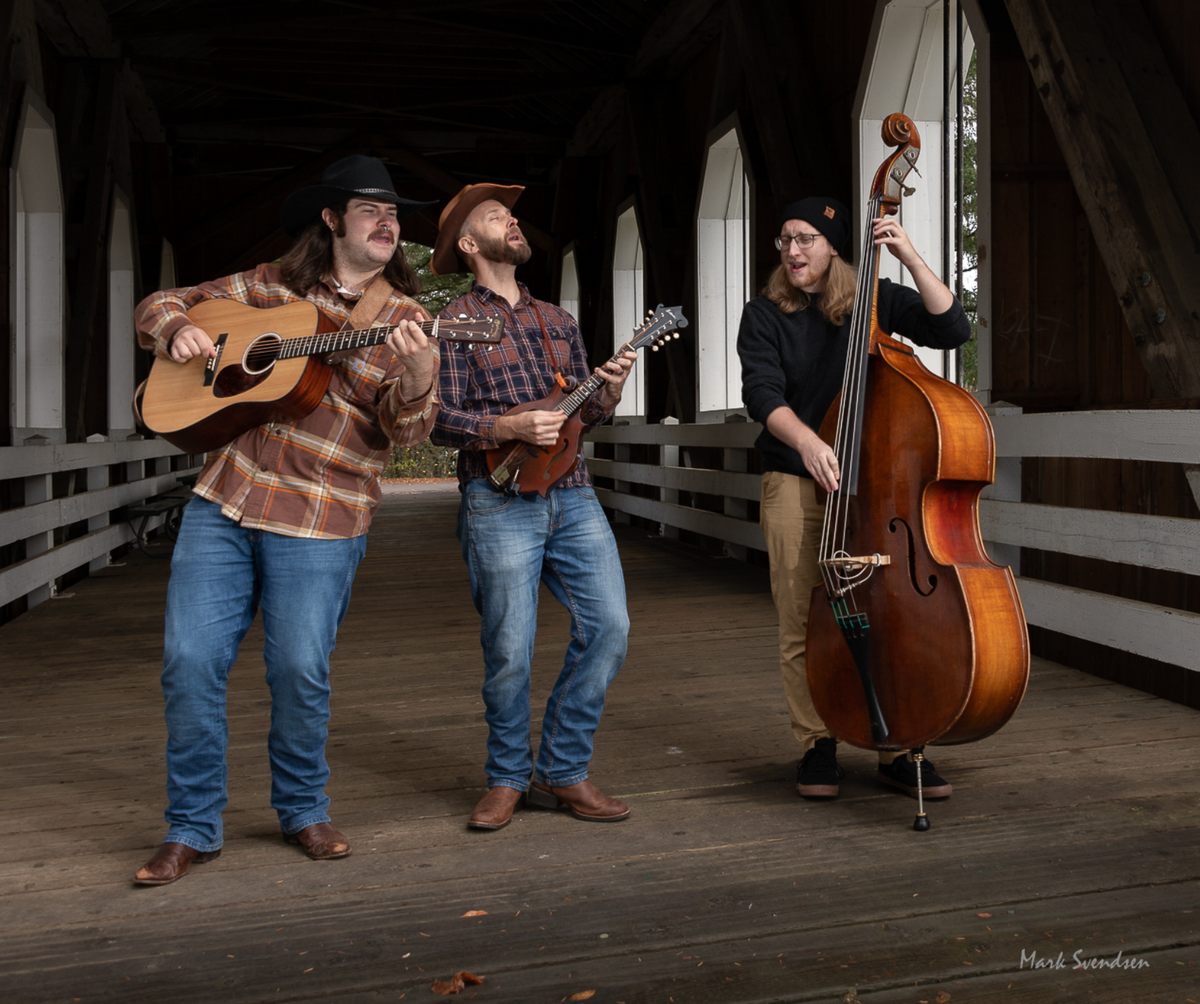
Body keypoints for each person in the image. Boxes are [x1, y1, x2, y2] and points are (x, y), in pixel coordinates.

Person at [131, 155, 439, 884]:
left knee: (299, 669)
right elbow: (157, 303)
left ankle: (303, 809)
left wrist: (420, 377)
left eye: (394, 213)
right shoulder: (268, 286)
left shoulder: (407, 319)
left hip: (323, 512)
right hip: (225, 499)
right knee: (188, 664)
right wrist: (175, 331)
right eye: (370, 210)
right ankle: (192, 826)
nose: (388, 222)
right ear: (331, 220)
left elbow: (408, 433)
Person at [737, 197, 972, 801]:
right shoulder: (764, 314)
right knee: (802, 617)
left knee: (890, 613)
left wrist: (912, 258)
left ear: (834, 245)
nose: (792, 250)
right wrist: (810, 443)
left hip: (873, 489)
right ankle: (818, 744)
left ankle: (898, 744)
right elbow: (762, 395)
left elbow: (952, 328)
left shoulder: (873, 300)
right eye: (785, 239)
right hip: (795, 475)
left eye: (806, 239)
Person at [428, 183, 637, 831]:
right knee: (509, 650)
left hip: (573, 494)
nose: (511, 220)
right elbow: (438, 422)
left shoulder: (560, 322)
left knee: (609, 628)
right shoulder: (457, 321)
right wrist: (508, 431)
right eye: (496, 216)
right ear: (470, 244)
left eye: (512, 214)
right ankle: (508, 777)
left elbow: (579, 421)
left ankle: (563, 769)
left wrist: (608, 394)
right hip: (496, 499)